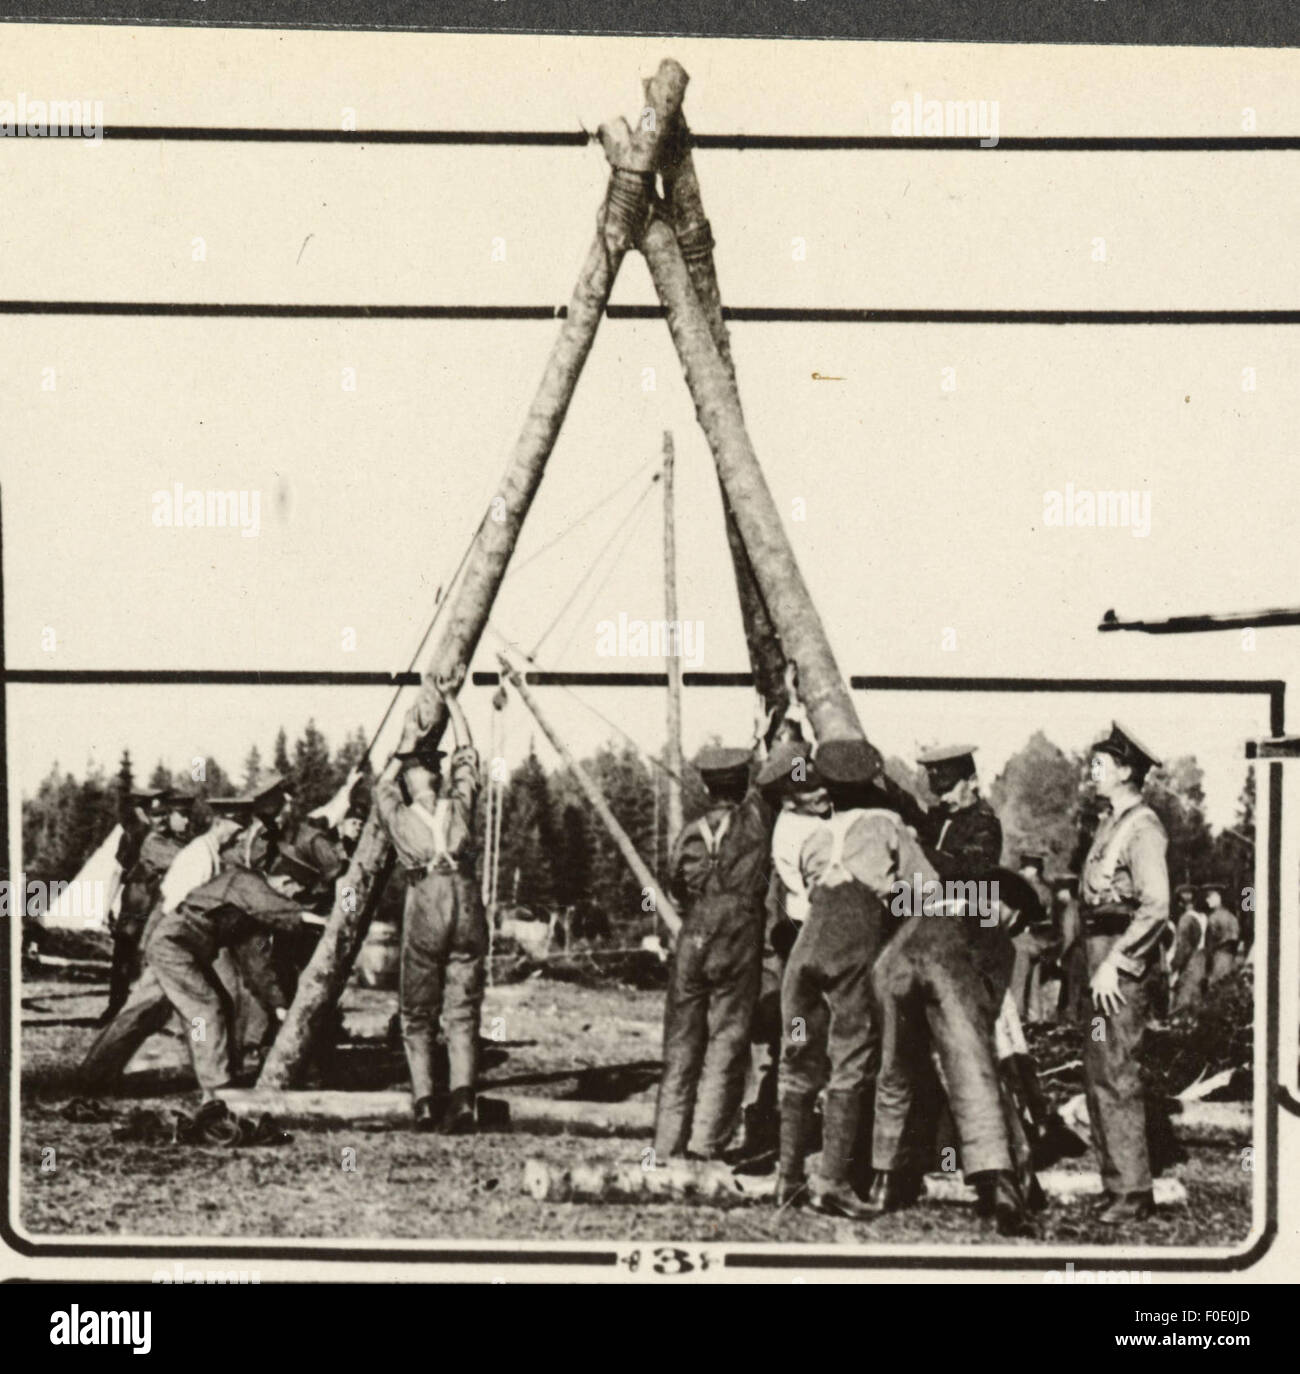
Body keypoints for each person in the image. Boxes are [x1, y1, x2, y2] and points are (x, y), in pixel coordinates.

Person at [81, 844, 324, 1098]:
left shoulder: (253, 911)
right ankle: (217, 1087)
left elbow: (257, 963)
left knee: (142, 1013)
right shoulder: (246, 882)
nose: (294, 899)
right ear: (285, 881)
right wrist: (324, 922)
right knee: (204, 1011)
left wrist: (278, 1005)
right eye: (295, 892)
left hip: (184, 950)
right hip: (175, 946)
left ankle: (93, 1075)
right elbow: (282, 911)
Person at [775, 736, 902, 1219]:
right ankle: (830, 1182)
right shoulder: (888, 826)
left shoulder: (814, 839)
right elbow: (926, 892)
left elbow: (807, 898)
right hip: (850, 957)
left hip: (804, 958)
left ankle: (786, 1180)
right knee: (851, 1058)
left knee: (799, 1059)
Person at [374, 665, 485, 1134]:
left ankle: (424, 1101)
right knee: (463, 1007)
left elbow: (381, 784)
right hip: (465, 896)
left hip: (426, 899)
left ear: (410, 781)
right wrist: (452, 700)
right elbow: (467, 753)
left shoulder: (399, 815)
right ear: (437, 776)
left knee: (418, 1011)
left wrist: (403, 753)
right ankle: (462, 1098)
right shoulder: (459, 804)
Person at [654, 738, 774, 1162]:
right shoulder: (758, 820)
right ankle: (705, 1143)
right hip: (738, 932)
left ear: (706, 788)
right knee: (727, 1038)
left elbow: (673, 883)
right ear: (744, 784)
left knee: (681, 1043)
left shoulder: (690, 833)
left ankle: (666, 1144)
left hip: (694, 932)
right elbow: (773, 783)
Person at [1079, 721, 1170, 1225]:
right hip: (1097, 958)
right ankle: (1116, 1184)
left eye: (1101, 764)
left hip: (1119, 962)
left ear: (1127, 770)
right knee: (1098, 1070)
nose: (1092, 771)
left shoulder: (1143, 828)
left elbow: (1156, 905)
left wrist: (1117, 961)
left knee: (1117, 1070)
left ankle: (1134, 1192)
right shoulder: (1108, 822)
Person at [726, 737, 830, 1170]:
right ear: (789, 794)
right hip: (802, 948)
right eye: (807, 788)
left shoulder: (817, 816)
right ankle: (775, 1137)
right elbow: (799, 904)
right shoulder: (790, 830)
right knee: (794, 1043)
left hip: (815, 947)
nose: (819, 793)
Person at [101, 788, 194, 1024]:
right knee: (124, 957)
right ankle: (116, 1008)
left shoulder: (171, 839)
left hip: (154, 903)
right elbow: (117, 872)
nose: (159, 818)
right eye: (155, 813)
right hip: (136, 902)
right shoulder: (136, 837)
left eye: (163, 813)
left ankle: (134, 1010)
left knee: (143, 957)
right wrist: (106, 906)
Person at [1010, 853, 1059, 1025]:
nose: (1021, 870)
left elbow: (1017, 916)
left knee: (1018, 978)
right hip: (1041, 941)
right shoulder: (1047, 889)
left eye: (1024, 867)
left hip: (1024, 938)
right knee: (1034, 980)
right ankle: (1034, 1015)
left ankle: (1016, 1015)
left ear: (1032, 869)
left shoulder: (1025, 888)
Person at [1052, 874, 1089, 1023]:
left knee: (1072, 989)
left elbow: (1068, 935)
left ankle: (1072, 1022)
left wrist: (1061, 957)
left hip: (1075, 952)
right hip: (1089, 951)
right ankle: (1089, 1028)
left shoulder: (1071, 907)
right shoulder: (1084, 904)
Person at [1170, 882, 1208, 1013]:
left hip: (1189, 964)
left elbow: (1183, 948)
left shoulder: (1185, 920)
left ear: (1180, 903)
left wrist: (1174, 965)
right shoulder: (1202, 917)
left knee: (1184, 1003)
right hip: (1201, 960)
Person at [1203, 884, 1241, 986]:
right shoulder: (1232, 916)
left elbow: (1209, 945)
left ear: (1218, 897)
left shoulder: (1213, 918)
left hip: (1218, 960)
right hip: (1231, 959)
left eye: (1210, 896)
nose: (1207, 900)